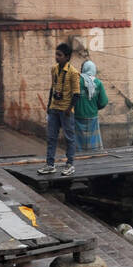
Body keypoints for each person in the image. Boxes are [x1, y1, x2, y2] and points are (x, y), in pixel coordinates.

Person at [39, 42, 80, 176]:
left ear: (67, 57)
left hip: (66, 111)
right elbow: (53, 88)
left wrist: (69, 108)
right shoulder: (54, 69)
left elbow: (76, 94)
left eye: (60, 55)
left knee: (69, 138)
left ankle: (70, 164)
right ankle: (50, 164)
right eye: (56, 54)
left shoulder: (73, 73)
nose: (57, 57)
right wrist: (49, 105)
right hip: (54, 108)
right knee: (51, 137)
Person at [72, 59, 109, 151]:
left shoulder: (77, 81)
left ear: (83, 69)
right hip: (92, 117)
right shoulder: (98, 83)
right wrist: (95, 108)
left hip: (77, 117)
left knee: (78, 142)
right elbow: (103, 102)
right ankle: (94, 153)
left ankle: (79, 155)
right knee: (93, 142)